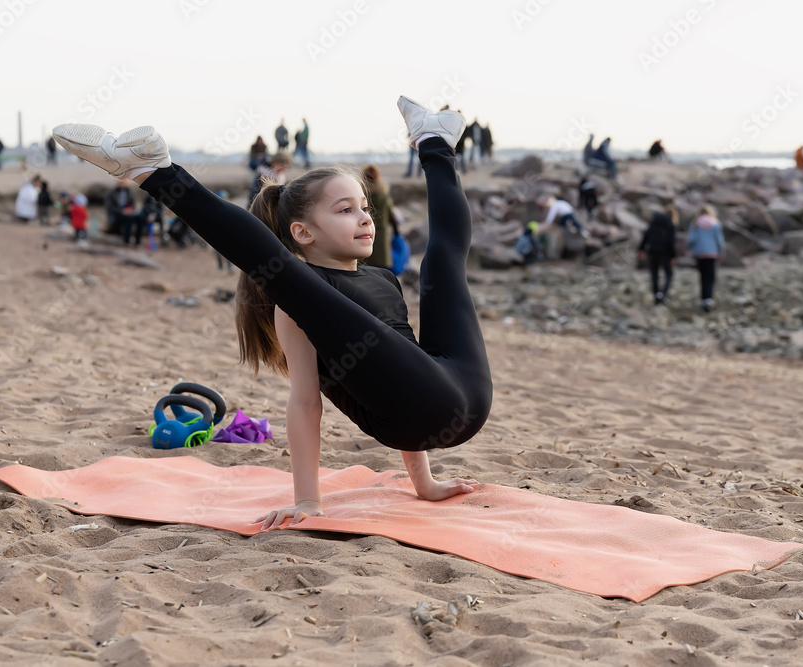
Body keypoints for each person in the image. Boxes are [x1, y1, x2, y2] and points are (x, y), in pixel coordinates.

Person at [52, 95, 493, 530]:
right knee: (286, 276)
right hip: (415, 413)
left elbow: (402, 368)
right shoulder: (299, 300)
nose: (364, 219)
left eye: (365, 208)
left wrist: (425, 483)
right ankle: (153, 170)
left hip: (463, 392)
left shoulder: (383, 279)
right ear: (301, 231)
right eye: (345, 210)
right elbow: (305, 402)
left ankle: (433, 141)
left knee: (444, 260)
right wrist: (307, 501)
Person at [687, 205, 725, 312]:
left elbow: (692, 239)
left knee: (703, 276)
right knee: (711, 276)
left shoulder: (695, 223)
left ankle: (704, 299)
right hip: (712, 253)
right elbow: (719, 240)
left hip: (699, 253)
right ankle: (709, 298)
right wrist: (721, 252)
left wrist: (686, 249)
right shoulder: (715, 223)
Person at [362, 164, 400, 270]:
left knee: (365, 267)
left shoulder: (362, 194)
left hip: (364, 233)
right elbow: (392, 216)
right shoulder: (383, 193)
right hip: (381, 234)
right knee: (382, 268)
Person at [639, 206, 678, 305]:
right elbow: (671, 242)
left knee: (654, 274)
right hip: (665, 253)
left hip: (652, 251)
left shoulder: (654, 223)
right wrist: (673, 256)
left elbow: (646, 236)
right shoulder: (670, 225)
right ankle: (663, 293)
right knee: (669, 274)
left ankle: (656, 295)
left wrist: (642, 249)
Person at [106, 179, 140, 243]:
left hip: (127, 213)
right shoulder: (112, 192)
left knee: (139, 218)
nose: (122, 183)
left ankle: (137, 241)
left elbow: (132, 204)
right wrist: (122, 211)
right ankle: (126, 241)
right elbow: (110, 207)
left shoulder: (129, 192)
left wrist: (130, 210)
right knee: (128, 219)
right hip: (117, 214)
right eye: (120, 181)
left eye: (123, 181)